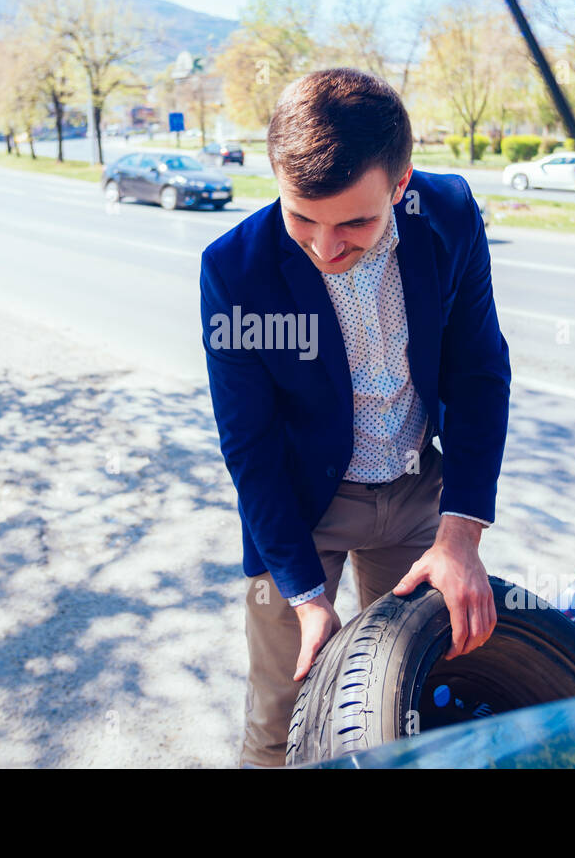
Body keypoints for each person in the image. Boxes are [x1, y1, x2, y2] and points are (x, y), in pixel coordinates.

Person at [199, 68, 511, 768]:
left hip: (414, 493)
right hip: (303, 510)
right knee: (281, 717)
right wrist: (309, 600)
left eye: (355, 222)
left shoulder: (451, 212)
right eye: (301, 216)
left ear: (401, 186)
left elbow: (479, 371)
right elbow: (248, 448)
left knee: (409, 695)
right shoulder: (233, 272)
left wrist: (462, 536)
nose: (324, 247)